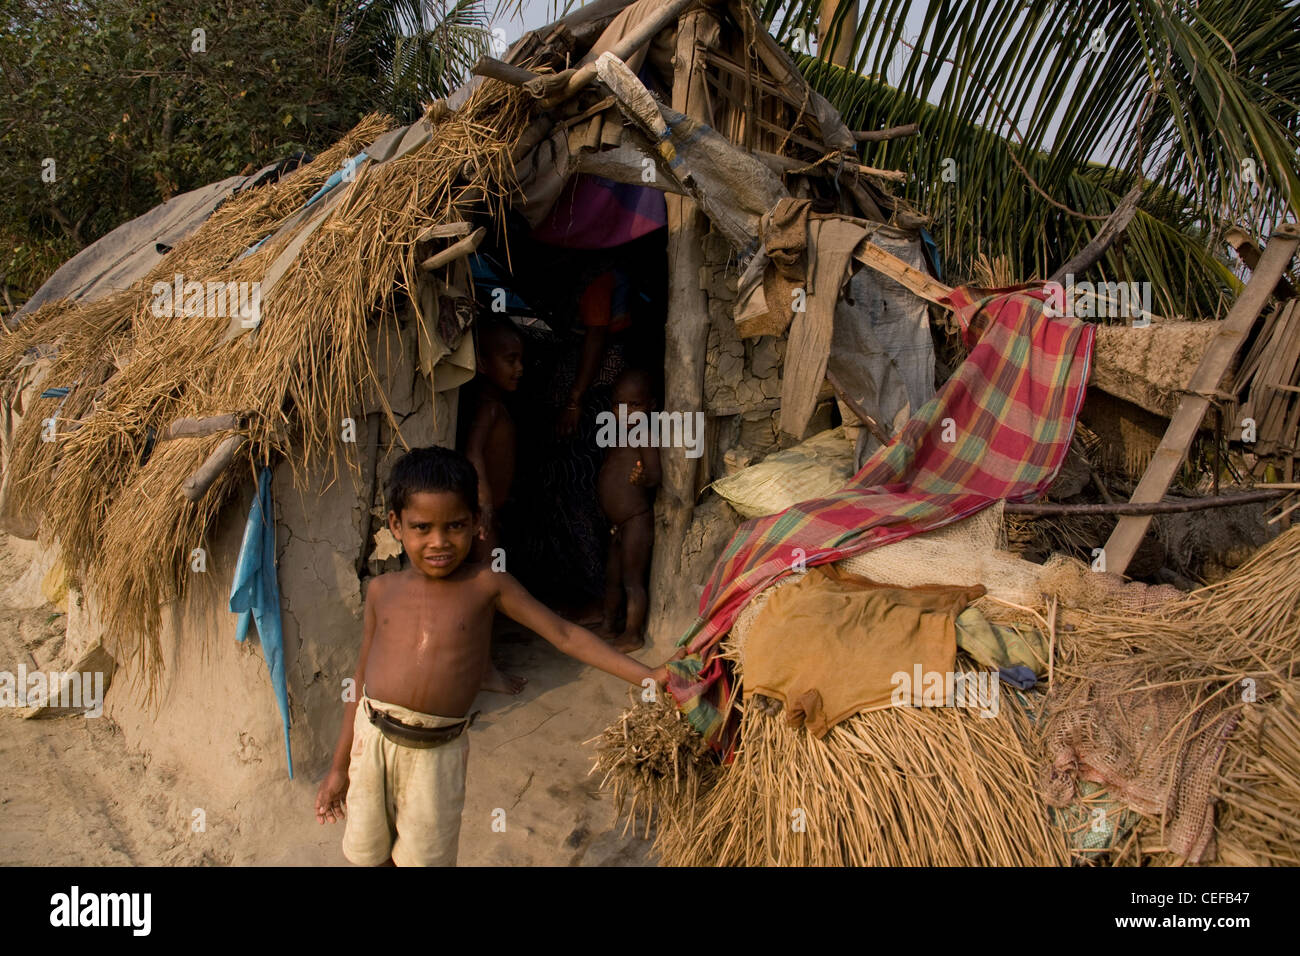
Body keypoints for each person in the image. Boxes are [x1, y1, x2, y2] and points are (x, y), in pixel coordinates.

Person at [314, 446, 670, 866]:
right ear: (396, 525)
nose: (439, 542)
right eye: (422, 527)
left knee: (422, 858)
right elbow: (358, 682)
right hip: (370, 741)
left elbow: (565, 635)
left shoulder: (487, 585)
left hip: (436, 756)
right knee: (368, 856)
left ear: (478, 523)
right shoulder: (381, 592)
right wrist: (339, 767)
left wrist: (649, 676)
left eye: (456, 526)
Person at [463, 317, 527, 695]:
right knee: (487, 587)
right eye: (510, 359)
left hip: (491, 514)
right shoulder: (487, 407)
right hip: (483, 517)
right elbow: (473, 453)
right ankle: (483, 670)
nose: (519, 368)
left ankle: (484, 661)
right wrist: (484, 506)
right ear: (484, 363)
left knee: (488, 582)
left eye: (521, 359)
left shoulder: (495, 404)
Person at [597, 369, 660, 651]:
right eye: (618, 405)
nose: (626, 412)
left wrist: (642, 478)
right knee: (612, 577)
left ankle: (632, 633)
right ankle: (609, 624)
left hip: (636, 520)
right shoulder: (614, 434)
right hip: (617, 524)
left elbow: (655, 475)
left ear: (651, 406)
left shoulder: (645, 435)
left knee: (632, 580)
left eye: (634, 405)